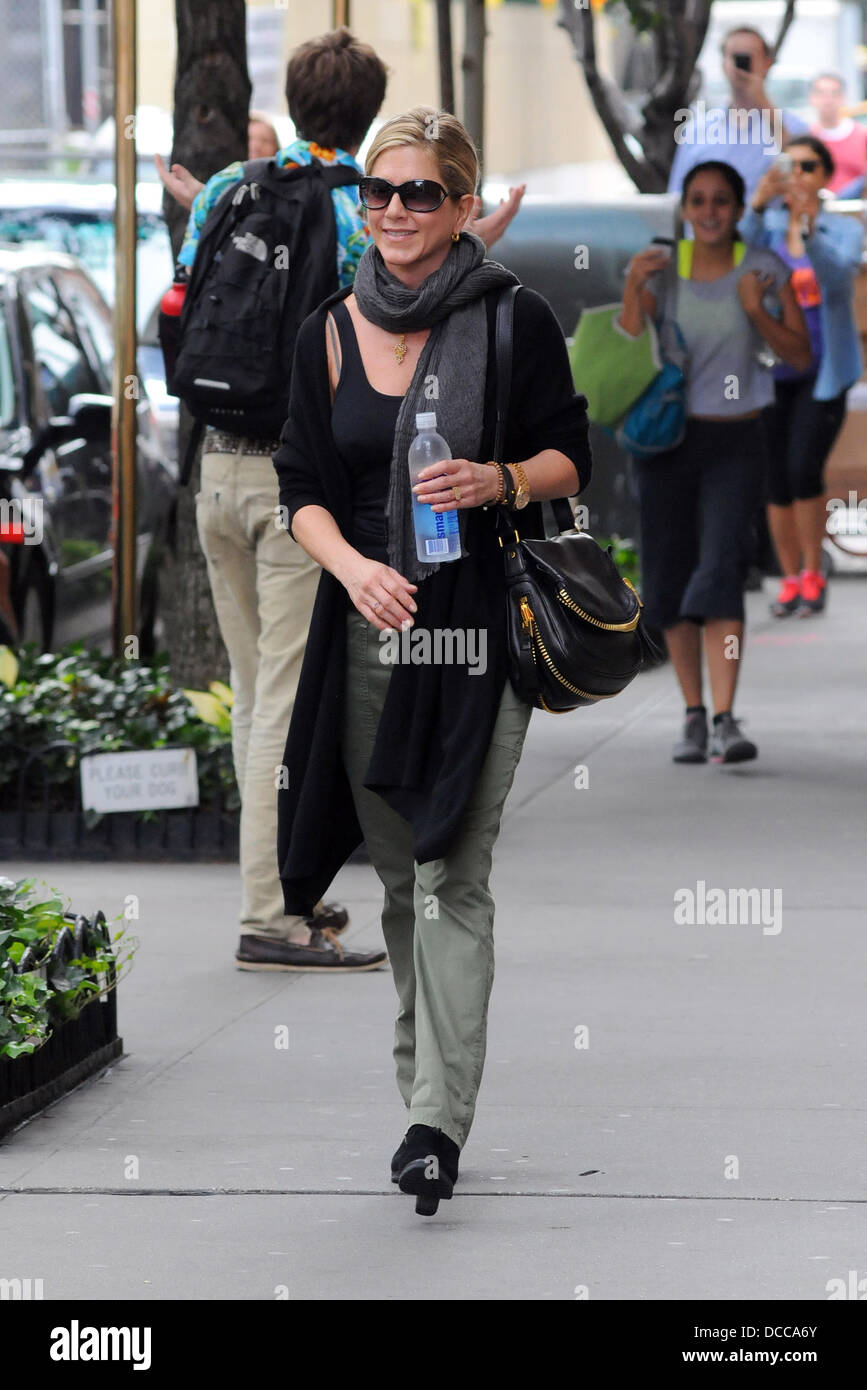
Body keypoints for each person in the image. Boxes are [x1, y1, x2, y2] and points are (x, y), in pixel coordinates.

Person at [272, 107, 591, 1214]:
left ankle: (435, 1119)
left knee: (453, 866)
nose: (396, 211)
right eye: (379, 190)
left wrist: (498, 478)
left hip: (476, 633)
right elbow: (300, 485)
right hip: (369, 623)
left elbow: (570, 455)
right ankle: (425, 1083)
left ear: (464, 206)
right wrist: (355, 570)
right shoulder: (326, 329)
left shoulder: (514, 319)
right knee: (402, 879)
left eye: (420, 193)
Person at [158, 31, 526, 975]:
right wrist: (478, 242)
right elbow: (402, 296)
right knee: (283, 700)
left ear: (288, 94)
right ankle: (271, 912)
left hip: (216, 470)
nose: (396, 207)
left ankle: (286, 883)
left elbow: (182, 294)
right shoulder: (353, 209)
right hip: (298, 482)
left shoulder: (224, 189)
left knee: (254, 698)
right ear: (365, 117)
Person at [620, 161, 811, 765]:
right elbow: (624, 353)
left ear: (736, 207)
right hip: (667, 443)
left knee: (721, 567)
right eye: (698, 200)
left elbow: (800, 356)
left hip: (735, 442)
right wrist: (631, 289)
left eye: (722, 201)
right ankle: (693, 715)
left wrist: (758, 313)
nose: (709, 211)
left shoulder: (762, 268)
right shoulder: (665, 265)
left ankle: (726, 717)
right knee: (669, 578)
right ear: (684, 207)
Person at [743, 135, 863, 617]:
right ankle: (790, 578)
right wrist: (758, 202)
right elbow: (735, 255)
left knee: (802, 469)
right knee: (775, 477)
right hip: (772, 369)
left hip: (825, 373)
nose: (799, 174)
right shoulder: (767, 226)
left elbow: (836, 277)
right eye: (790, 165)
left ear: (826, 174)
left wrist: (808, 229)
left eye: (809, 166)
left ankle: (815, 571)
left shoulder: (841, 228)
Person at [669, 27, 808, 199]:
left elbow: (804, 179)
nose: (741, 65)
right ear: (724, 65)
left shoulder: (794, 128)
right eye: (735, 57)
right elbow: (677, 197)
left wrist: (765, 105)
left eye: (748, 57)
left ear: (767, 63)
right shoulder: (697, 131)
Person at [809, 73, 867, 198]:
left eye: (834, 93)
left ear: (843, 97)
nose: (828, 100)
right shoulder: (807, 138)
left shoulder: (862, 135)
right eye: (821, 93)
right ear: (812, 98)